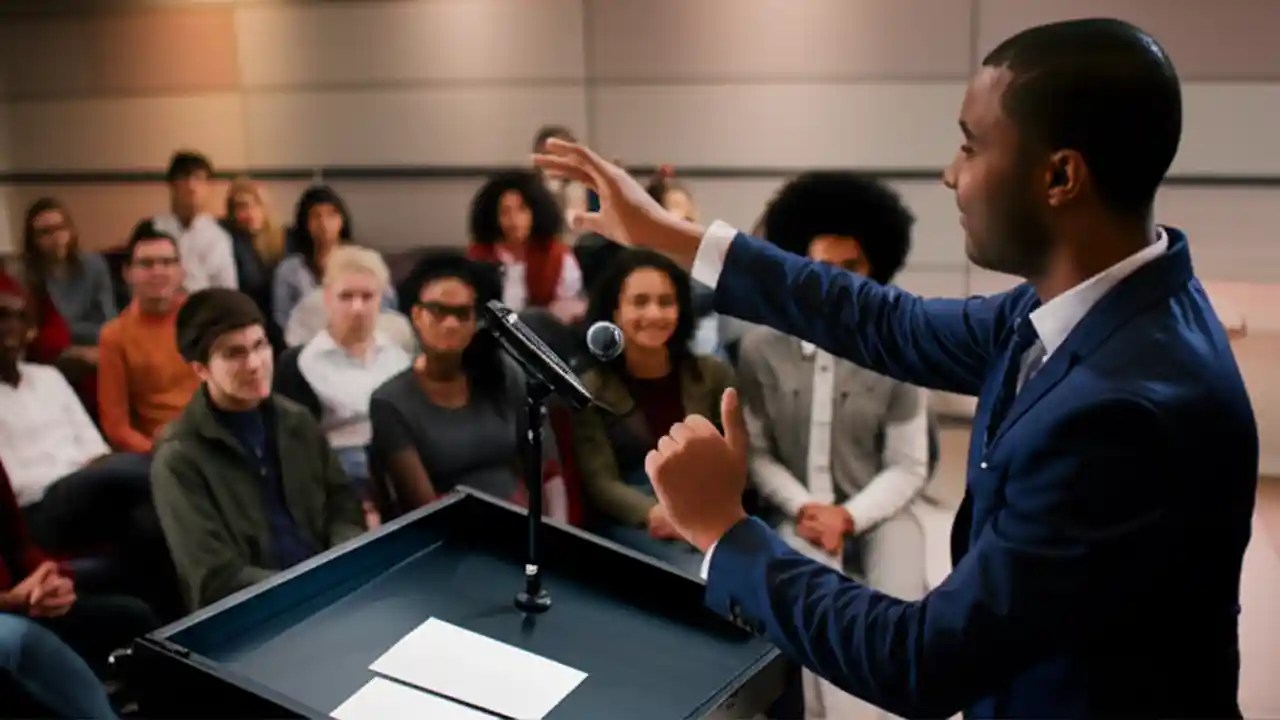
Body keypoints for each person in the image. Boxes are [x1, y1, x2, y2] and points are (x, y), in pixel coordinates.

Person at [533, 18, 1258, 719]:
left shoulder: (1124, 411)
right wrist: (666, 234)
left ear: (1061, 175)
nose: (951, 174)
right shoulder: (1090, 304)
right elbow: (886, 321)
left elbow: (923, 660)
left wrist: (724, 529)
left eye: (971, 147)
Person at [150, 289, 365, 611]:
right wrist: (311, 587)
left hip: (333, 589)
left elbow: (342, 504)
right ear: (201, 369)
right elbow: (214, 578)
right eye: (233, 353)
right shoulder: (179, 458)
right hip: (262, 614)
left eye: (259, 345)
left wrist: (343, 556)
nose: (254, 364)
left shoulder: (296, 420)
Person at [571, 249, 733, 577]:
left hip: (707, 507)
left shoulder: (712, 374)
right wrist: (655, 514)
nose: (654, 313)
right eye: (640, 302)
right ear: (615, 311)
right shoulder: (589, 388)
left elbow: (735, 457)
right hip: (636, 519)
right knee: (701, 575)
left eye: (666, 302)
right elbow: (601, 483)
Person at [369, 252, 567, 518]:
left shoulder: (503, 373)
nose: (450, 324)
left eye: (462, 313)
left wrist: (557, 535)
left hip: (526, 525)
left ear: (475, 323)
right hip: (453, 537)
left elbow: (549, 472)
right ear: (417, 315)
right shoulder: (390, 402)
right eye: (438, 311)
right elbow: (424, 509)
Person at [275, 246, 411, 526]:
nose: (357, 308)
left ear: (382, 300)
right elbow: (293, 451)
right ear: (327, 299)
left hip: (397, 462)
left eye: (367, 296)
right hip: (336, 474)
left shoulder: (397, 355)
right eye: (346, 297)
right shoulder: (300, 363)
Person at [97, 221, 200, 453]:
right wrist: (158, 454)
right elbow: (116, 427)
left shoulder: (204, 317)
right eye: (146, 264)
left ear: (181, 271)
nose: (158, 272)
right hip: (161, 453)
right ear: (127, 273)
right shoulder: (114, 336)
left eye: (167, 262)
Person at [152, 150, 238, 292]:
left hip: (205, 310)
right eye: (184, 178)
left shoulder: (218, 237)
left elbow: (228, 292)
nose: (191, 186)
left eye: (198, 178)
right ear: (172, 185)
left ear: (209, 186)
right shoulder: (153, 229)